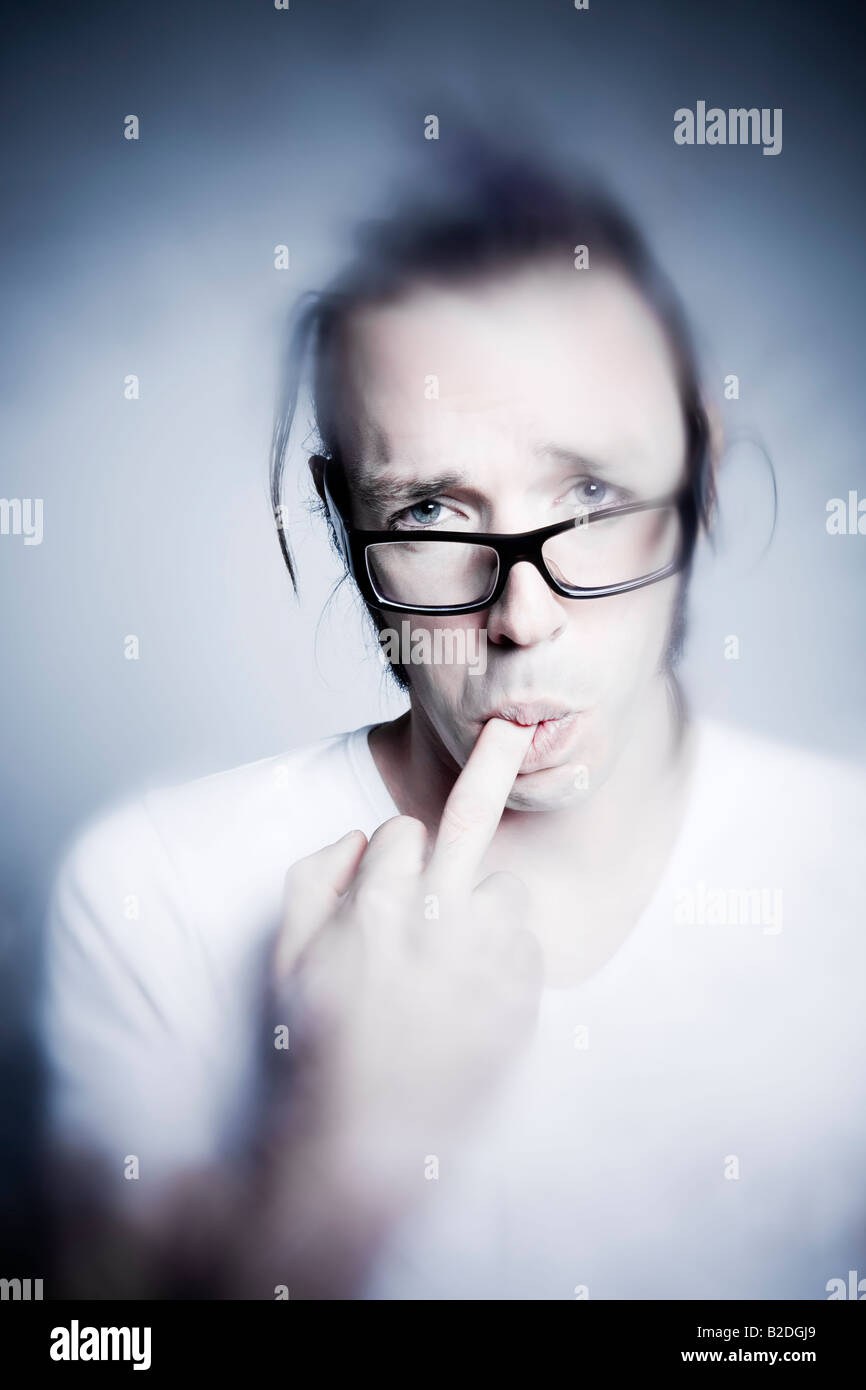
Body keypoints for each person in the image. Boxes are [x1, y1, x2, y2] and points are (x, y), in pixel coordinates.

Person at [41, 143, 866, 1300]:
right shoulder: (154, 893)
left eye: (588, 496)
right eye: (429, 510)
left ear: (700, 481)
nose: (520, 615)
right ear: (340, 526)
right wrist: (344, 1150)